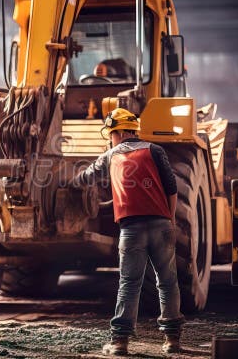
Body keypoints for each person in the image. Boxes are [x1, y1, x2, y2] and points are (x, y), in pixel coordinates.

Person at [71, 108, 184, 355]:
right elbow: (172, 189)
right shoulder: (155, 150)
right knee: (167, 281)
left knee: (129, 284)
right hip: (161, 225)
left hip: (131, 229)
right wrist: (170, 219)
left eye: (111, 134)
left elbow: (85, 178)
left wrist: (70, 181)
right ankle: (172, 340)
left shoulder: (110, 156)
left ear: (120, 132)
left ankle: (120, 343)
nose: (110, 139)